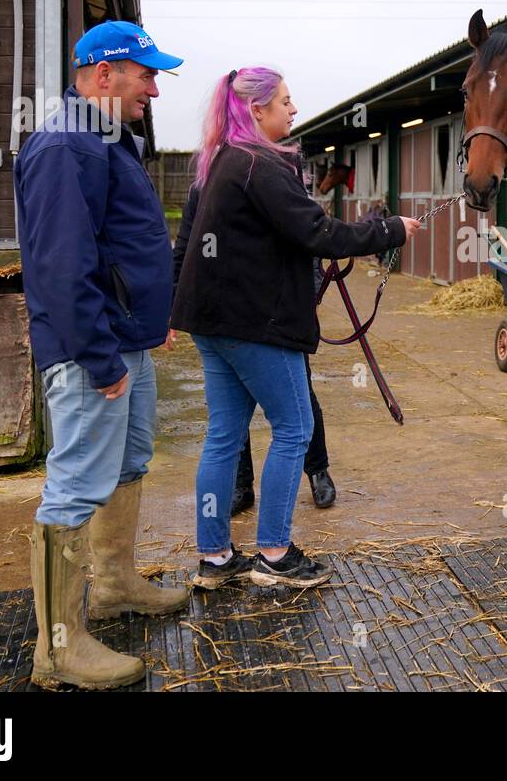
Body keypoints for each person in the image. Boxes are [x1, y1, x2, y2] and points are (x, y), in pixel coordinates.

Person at [171, 67, 418, 590]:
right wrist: (390, 229)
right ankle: (275, 555)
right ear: (256, 110)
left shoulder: (221, 161)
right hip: (254, 323)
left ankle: (215, 558)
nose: (294, 108)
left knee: (222, 436)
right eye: (284, 100)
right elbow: (316, 231)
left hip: (213, 322)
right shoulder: (261, 163)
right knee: (294, 428)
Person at [14, 20, 187, 690]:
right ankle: (58, 647)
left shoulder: (106, 142)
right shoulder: (68, 147)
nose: (154, 88)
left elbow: (118, 246)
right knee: (77, 483)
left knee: (128, 461)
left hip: (124, 341)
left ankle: (112, 586)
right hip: (94, 352)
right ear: (104, 73)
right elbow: (62, 267)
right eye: (145, 74)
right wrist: (99, 356)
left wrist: (149, 323)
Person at [172, 174, 336, 517]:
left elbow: (309, 239)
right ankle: (242, 486)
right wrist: (171, 305)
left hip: (278, 317)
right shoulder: (204, 186)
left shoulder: (279, 177)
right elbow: (186, 249)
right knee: (234, 414)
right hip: (231, 317)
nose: (292, 115)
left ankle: (318, 470)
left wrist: (309, 293)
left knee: (300, 395)